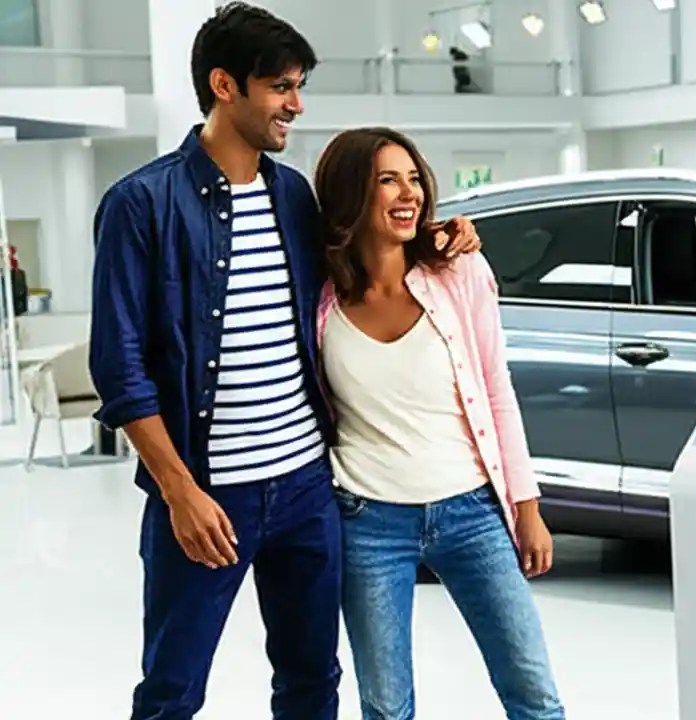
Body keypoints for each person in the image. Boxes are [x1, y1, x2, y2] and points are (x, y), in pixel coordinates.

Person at [88, 4, 477, 718]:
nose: (296, 105)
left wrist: (440, 238)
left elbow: (366, 262)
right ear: (224, 85)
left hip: (305, 488)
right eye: (280, 87)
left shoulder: (293, 194)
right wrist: (180, 493)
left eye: (299, 86)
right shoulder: (140, 204)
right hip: (207, 494)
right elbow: (119, 368)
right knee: (172, 690)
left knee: (310, 680)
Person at [310, 126, 565, 720]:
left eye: (414, 178)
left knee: (533, 693)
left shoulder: (458, 274)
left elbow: (499, 391)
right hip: (367, 522)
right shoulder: (320, 298)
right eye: (387, 180)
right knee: (386, 706)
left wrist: (527, 510)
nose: (410, 193)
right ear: (351, 194)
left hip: (472, 512)